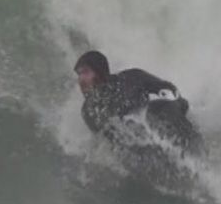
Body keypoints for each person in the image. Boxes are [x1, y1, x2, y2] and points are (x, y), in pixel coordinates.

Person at [75, 50, 203, 155]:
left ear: (99, 71)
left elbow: (167, 88)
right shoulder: (89, 111)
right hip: (140, 146)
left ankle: (196, 150)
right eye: (79, 74)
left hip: (165, 122)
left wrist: (177, 104)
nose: (81, 79)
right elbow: (108, 141)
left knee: (156, 109)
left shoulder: (131, 78)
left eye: (85, 72)